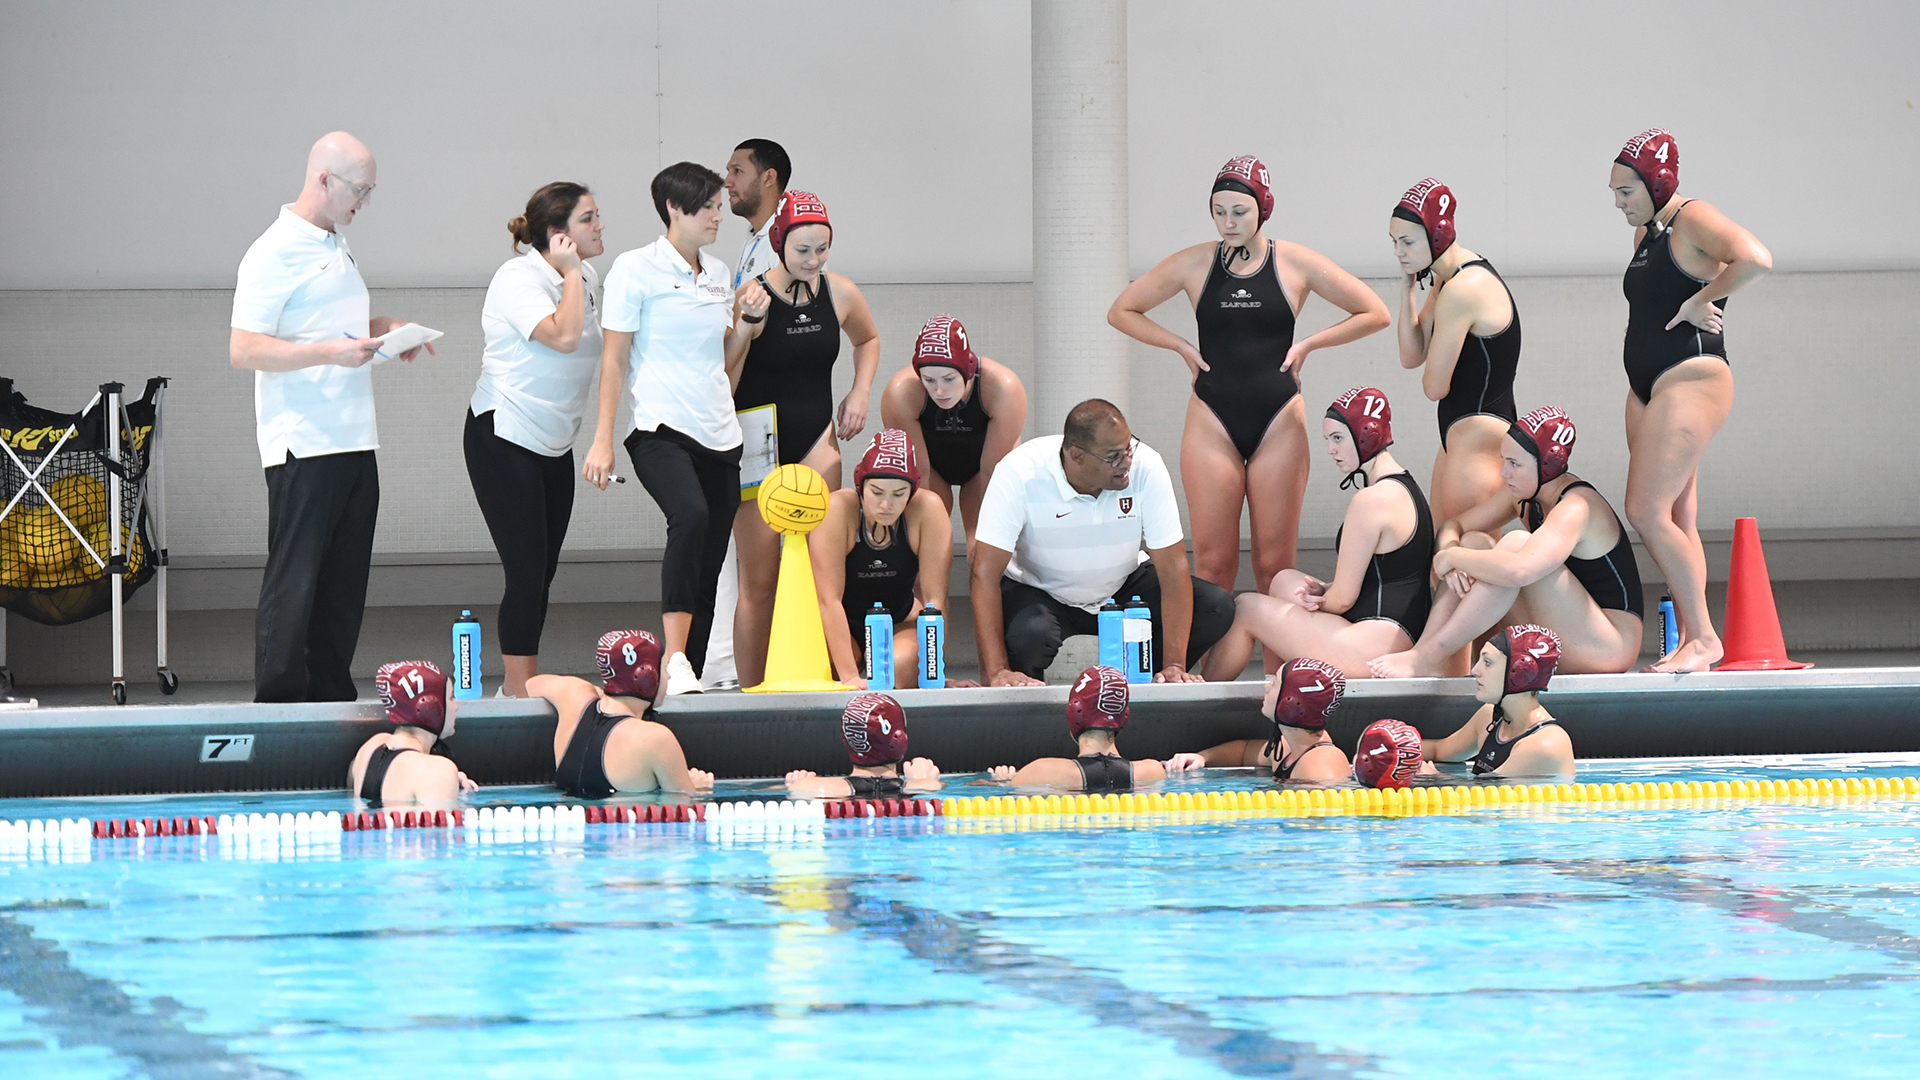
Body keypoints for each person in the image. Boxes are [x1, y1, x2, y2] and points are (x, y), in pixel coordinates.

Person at [1109, 156, 1390, 597]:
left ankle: (1282, 670)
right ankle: (1200, 669)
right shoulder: (1194, 263)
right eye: (1219, 212)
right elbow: (1121, 310)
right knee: (1213, 564)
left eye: (1239, 211)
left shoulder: (1295, 262)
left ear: (1264, 207)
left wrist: (1309, 344)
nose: (1228, 222)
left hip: (1278, 420)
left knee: (1275, 568)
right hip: (1211, 420)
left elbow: (1375, 312)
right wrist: (1181, 346)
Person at [230, 131, 435, 703]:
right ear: (324, 179)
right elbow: (244, 348)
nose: (364, 203)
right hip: (303, 442)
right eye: (359, 190)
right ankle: (278, 700)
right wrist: (328, 353)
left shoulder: (334, 243)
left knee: (344, 583)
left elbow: (329, 326)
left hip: (353, 437)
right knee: (295, 581)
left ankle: (328, 691)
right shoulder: (272, 251)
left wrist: (384, 329)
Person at [1610, 129, 1771, 672]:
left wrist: (1703, 299)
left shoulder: (1693, 217)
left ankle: (1704, 637)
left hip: (1691, 378)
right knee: (1676, 513)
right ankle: (1690, 644)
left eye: (1626, 191)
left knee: (1645, 510)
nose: (1618, 202)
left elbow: (1754, 258)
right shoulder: (1648, 233)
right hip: (1649, 386)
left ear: (1657, 185)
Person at [584, 162, 747, 696]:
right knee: (690, 515)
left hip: (721, 433)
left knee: (711, 554)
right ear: (675, 210)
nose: (718, 216)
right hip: (659, 429)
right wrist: (603, 439)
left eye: (721, 206)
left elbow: (723, 360)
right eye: (708, 208)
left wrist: (747, 324)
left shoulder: (720, 274)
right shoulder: (635, 269)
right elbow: (614, 359)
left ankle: (688, 678)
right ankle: (673, 655)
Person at [727, 191, 881, 686]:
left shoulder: (839, 292)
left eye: (822, 249)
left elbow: (868, 339)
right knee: (759, 583)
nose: (814, 261)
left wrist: (859, 393)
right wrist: (747, 326)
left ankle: (828, 679)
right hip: (757, 445)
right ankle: (752, 692)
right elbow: (723, 378)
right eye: (803, 251)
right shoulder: (751, 296)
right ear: (778, 245)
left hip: (818, 442)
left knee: (822, 577)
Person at [971, 400, 1234, 686]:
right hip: (1040, 590)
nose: (1127, 463)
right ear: (1077, 456)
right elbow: (984, 572)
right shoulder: (1019, 472)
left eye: (1128, 449)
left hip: (1123, 584)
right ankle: (1024, 700)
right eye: (1113, 457)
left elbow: (1173, 568)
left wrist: (1174, 664)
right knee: (1028, 637)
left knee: (1215, 606)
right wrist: (998, 670)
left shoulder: (1146, 466)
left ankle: (1145, 685)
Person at [1368, 407, 1643, 679]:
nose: (1503, 473)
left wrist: (1451, 558)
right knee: (1474, 542)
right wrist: (1451, 551)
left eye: (1514, 464)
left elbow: (1520, 570)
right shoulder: (1523, 496)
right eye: (1504, 461)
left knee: (1515, 544)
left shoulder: (1576, 507)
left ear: (1548, 464)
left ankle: (1432, 654)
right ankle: (1426, 653)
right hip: (1570, 628)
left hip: (1608, 646)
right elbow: (1455, 525)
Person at [465, 182, 606, 697]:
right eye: (589, 218)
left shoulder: (588, 276)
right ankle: (518, 693)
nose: (600, 226)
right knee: (525, 572)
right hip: (504, 435)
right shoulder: (517, 277)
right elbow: (565, 338)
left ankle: (515, 691)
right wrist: (569, 273)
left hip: (554, 443)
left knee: (543, 573)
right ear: (558, 234)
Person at [1201, 388, 1434, 680]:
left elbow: (1343, 600)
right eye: (1328, 441)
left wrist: (1323, 599)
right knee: (1286, 580)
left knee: (1246, 607)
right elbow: (1386, 577)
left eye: (1338, 438)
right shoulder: (1405, 488)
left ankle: (1197, 700)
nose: (1330, 450)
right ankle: (1283, 678)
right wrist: (1324, 589)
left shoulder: (1372, 500)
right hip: (1394, 632)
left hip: (1374, 648)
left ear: (1368, 435)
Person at [705, 138, 793, 691]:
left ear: (770, 178)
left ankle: (735, 666)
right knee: (740, 552)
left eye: (737, 171)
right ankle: (729, 662)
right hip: (748, 409)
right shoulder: (753, 242)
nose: (727, 182)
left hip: (774, 415)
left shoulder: (786, 243)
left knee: (765, 550)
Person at [1389, 178, 1522, 525]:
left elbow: (1434, 387)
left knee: (1468, 561)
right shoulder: (1446, 279)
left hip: (1479, 441)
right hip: (1461, 434)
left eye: (1407, 242)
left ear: (1437, 235)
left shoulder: (1464, 288)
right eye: (1394, 242)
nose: (1398, 252)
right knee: (1443, 557)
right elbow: (1411, 356)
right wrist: (1407, 291)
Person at [809, 430, 953, 688]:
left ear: (912, 492)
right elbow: (827, 600)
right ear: (860, 486)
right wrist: (850, 677)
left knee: (899, 669)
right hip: (839, 621)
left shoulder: (928, 510)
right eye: (876, 492)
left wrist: (934, 672)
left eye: (898, 495)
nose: (886, 504)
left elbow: (935, 600)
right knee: (826, 669)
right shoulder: (836, 511)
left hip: (900, 622)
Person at [878, 314, 1027, 558]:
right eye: (929, 380)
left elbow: (992, 473)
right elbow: (920, 473)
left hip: (984, 469)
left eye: (949, 379)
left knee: (981, 552)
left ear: (968, 370)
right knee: (923, 549)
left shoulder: (1002, 388)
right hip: (932, 469)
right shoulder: (901, 393)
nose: (939, 390)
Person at [525, 630, 714, 798]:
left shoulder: (575, 695)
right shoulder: (655, 738)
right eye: (664, 669)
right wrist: (698, 788)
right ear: (646, 676)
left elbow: (531, 684)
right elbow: (683, 812)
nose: (669, 676)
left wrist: (597, 692)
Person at [988, 666, 1203, 792]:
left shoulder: (1042, 771)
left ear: (1074, 713)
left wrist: (1001, 781)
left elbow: (989, 791)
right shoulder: (1151, 771)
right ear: (1124, 716)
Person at [1422, 624, 1574, 776]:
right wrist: (1402, 745)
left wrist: (1433, 776)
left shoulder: (1546, 744)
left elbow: (1486, 794)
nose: (1475, 671)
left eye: (1487, 662)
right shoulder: (1489, 716)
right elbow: (1439, 750)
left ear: (1520, 673)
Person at [1188, 658, 1349, 782]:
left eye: (1274, 684)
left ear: (1291, 701)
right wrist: (1203, 757)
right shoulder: (1291, 745)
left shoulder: (1321, 764)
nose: (1266, 687)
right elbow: (1245, 752)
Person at [347, 661, 478, 807]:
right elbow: (438, 828)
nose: (456, 706)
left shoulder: (370, 747)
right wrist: (447, 781)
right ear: (429, 707)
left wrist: (452, 780)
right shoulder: (439, 771)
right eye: (451, 698)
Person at [785, 692, 942, 799]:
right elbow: (928, 789)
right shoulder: (926, 786)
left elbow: (801, 790)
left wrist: (796, 782)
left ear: (846, 738)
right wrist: (922, 781)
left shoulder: (809, 787)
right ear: (900, 740)